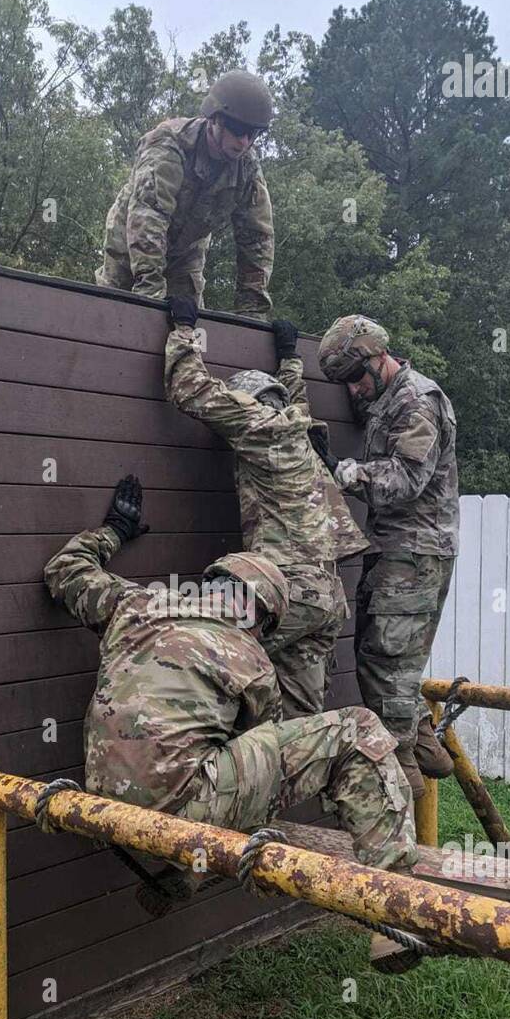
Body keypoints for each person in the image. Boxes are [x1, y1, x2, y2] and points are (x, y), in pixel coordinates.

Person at [43, 475, 417, 916]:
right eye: (267, 626)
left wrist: (114, 532)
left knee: (204, 757)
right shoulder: (252, 659)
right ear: (257, 613)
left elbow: (64, 570)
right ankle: (400, 905)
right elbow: (267, 762)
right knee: (355, 729)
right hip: (175, 811)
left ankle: (185, 872)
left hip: (100, 802)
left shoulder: (135, 605)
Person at [163, 298, 370, 717]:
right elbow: (299, 402)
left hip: (287, 591)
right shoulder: (299, 430)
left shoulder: (256, 422)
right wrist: (290, 357)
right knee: (300, 721)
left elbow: (190, 389)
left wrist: (183, 327)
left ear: (251, 400)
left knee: (201, 654)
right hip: (327, 598)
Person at [316, 315, 459, 799]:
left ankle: (401, 785)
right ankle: (426, 745)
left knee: (386, 666)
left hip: (412, 553)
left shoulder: (418, 401)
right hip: (397, 550)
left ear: (380, 358)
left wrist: (346, 472)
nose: (354, 390)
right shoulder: (385, 399)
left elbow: (406, 480)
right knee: (380, 661)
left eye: (357, 377)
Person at [95, 70, 275, 317]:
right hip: (130, 244)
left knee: (187, 330)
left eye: (253, 134)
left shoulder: (247, 169)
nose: (244, 142)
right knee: (116, 319)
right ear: (215, 119)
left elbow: (257, 240)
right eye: (237, 129)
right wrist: (150, 295)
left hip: (186, 255)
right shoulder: (169, 143)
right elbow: (149, 216)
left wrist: (252, 315)